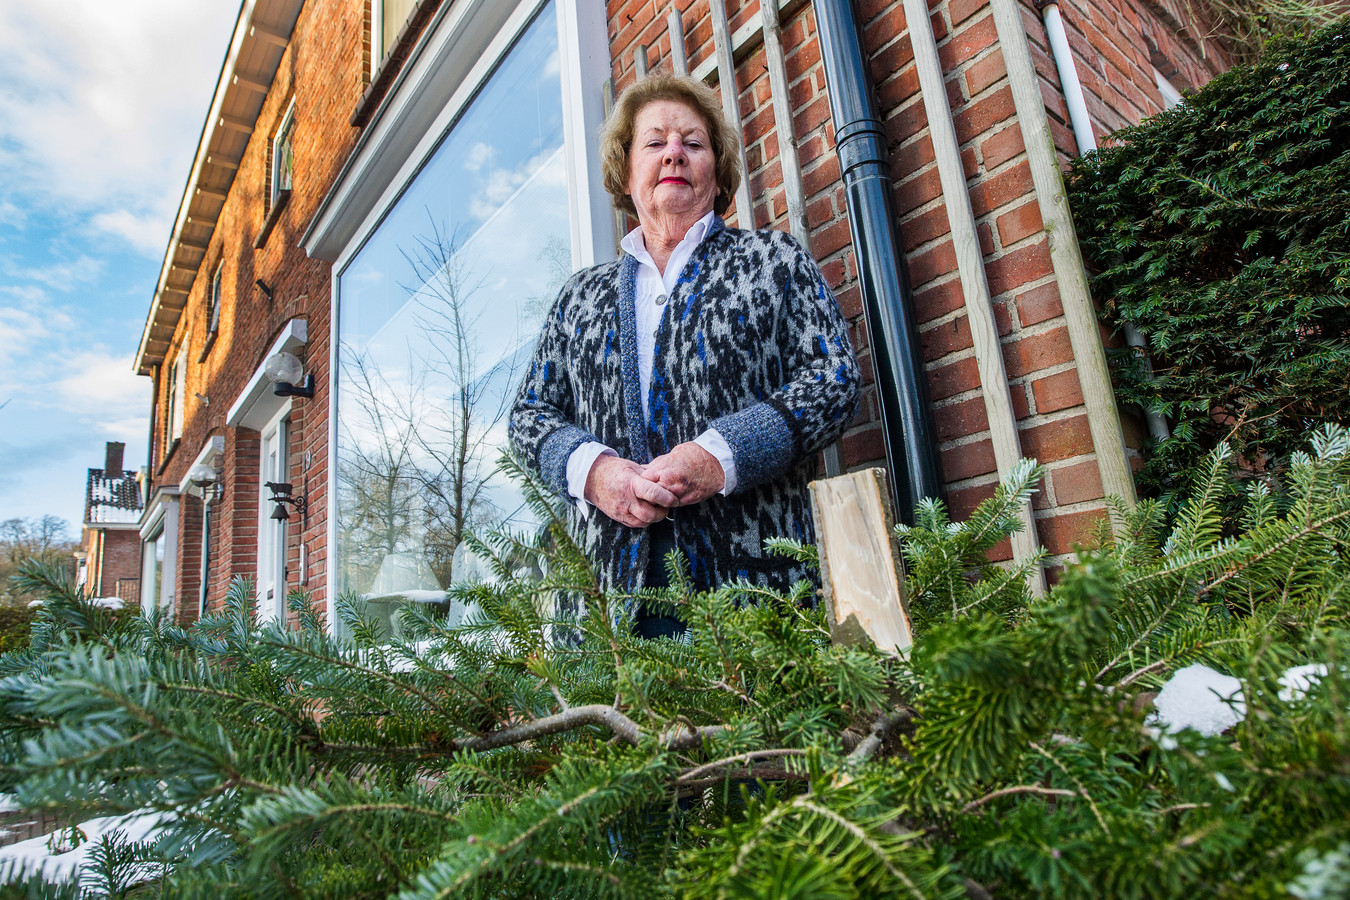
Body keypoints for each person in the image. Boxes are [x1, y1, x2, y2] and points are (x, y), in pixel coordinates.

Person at [509, 74, 859, 630]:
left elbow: (834, 379)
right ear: (625, 172)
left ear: (716, 172)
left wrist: (721, 457)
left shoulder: (773, 261)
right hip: (608, 616)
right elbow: (529, 417)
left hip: (759, 602)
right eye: (654, 142)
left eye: (693, 143)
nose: (674, 152)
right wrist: (595, 473)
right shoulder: (579, 296)